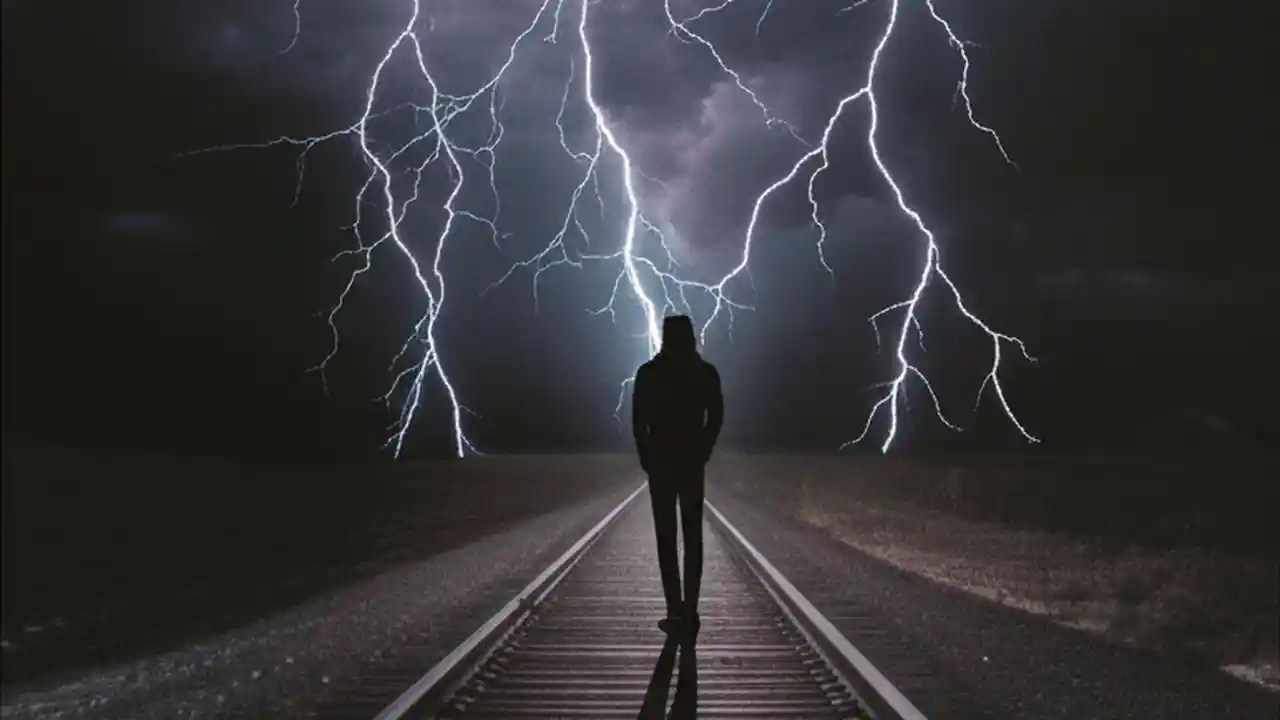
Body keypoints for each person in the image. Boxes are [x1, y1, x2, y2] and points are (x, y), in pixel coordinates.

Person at [632, 315, 723, 637]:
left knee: (667, 539)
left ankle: (675, 610)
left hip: (662, 465)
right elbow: (717, 415)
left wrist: (647, 458)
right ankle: (690, 612)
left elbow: (637, 421)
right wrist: (704, 449)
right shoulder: (705, 373)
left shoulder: (648, 374)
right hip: (690, 465)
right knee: (692, 538)